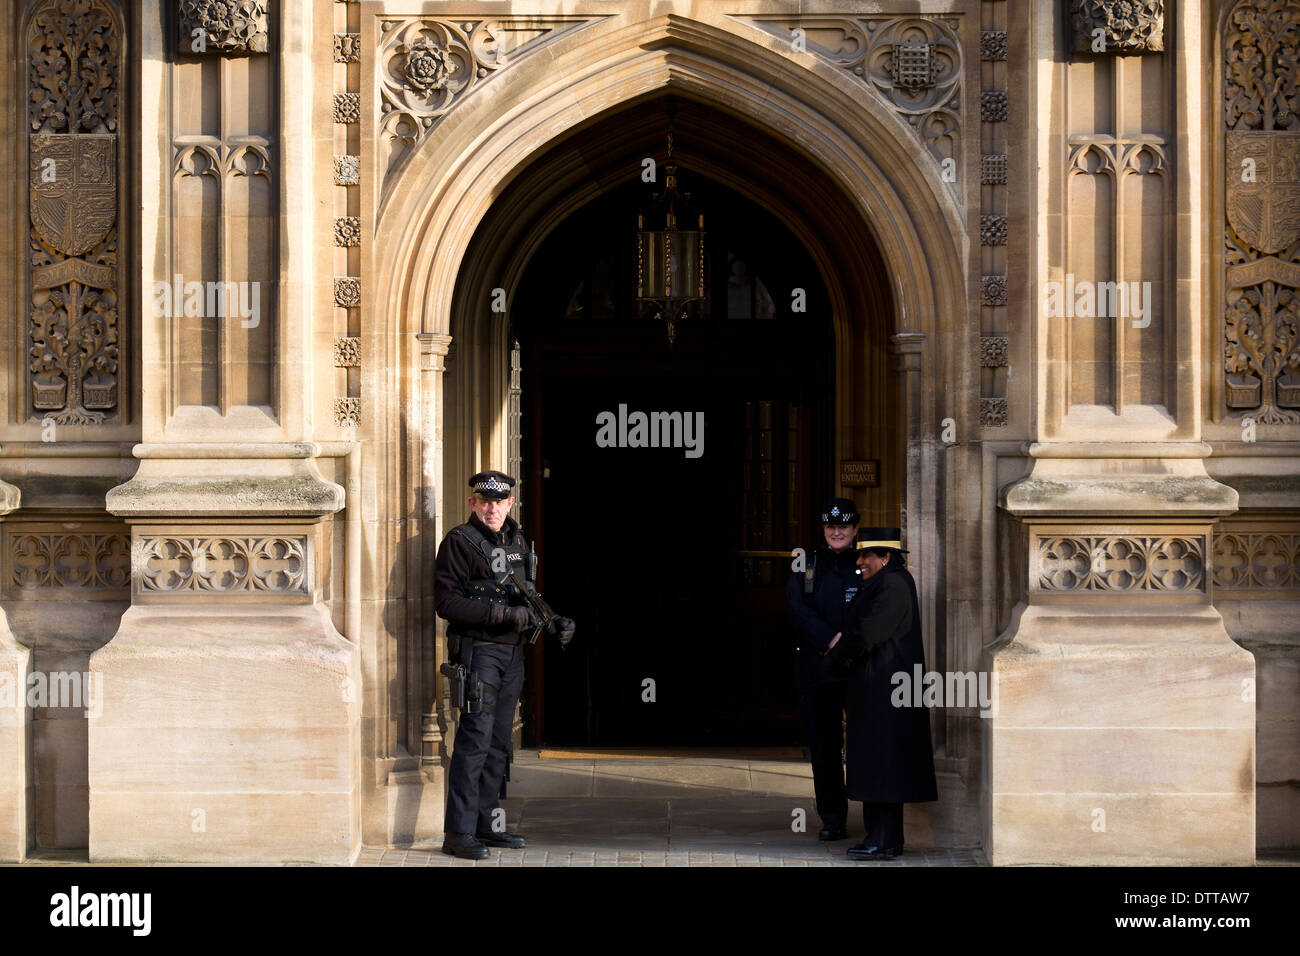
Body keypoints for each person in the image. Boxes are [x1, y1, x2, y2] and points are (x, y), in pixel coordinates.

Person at [435, 470, 575, 860]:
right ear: (473, 504)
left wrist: (554, 621)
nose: (492, 508)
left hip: (512, 654)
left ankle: (489, 826)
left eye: (499, 502)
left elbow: (528, 595)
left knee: (499, 745)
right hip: (479, 652)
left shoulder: (516, 541)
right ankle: (458, 834)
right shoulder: (459, 543)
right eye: (485, 501)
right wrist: (501, 616)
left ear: (510, 503)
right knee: (474, 741)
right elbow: (446, 603)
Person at [825, 526, 938, 860]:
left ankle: (882, 840)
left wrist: (833, 658)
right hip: (879, 688)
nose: (860, 562)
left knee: (883, 766)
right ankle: (884, 840)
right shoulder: (887, 582)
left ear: (886, 557)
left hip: (886, 691)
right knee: (880, 764)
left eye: (866, 555)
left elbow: (867, 634)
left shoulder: (892, 585)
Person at [785, 497, 862, 841]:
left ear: (855, 529)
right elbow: (797, 609)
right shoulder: (806, 564)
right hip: (818, 668)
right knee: (825, 747)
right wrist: (830, 640)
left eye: (843, 526)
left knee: (865, 744)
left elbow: (877, 609)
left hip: (859, 668)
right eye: (831, 527)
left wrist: (848, 645)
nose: (836, 532)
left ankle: (875, 819)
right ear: (823, 529)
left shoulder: (866, 564)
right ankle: (832, 818)